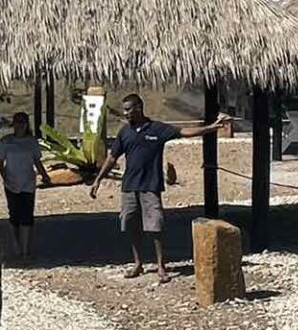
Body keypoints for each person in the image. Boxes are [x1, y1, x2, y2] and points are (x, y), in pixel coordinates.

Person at [89, 93, 230, 283]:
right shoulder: (125, 133)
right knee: (130, 224)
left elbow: (184, 132)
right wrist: (98, 179)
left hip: (150, 186)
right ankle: (138, 263)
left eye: (128, 109)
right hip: (130, 186)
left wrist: (211, 127)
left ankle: (161, 266)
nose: (126, 113)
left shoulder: (158, 129)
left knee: (155, 226)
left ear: (138, 108)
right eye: (124, 110)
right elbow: (112, 158)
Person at [0, 111, 50, 260]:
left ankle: (25, 250)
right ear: (14, 124)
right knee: (14, 214)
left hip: (28, 182)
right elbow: (0, 163)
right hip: (11, 182)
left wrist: (45, 176)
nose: (20, 126)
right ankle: (16, 243)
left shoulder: (32, 142)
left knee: (27, 215)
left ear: (27, 125)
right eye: (18, 122)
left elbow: (37, 161)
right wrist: (5, 177)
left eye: (23, 122)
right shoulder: (6, 142)